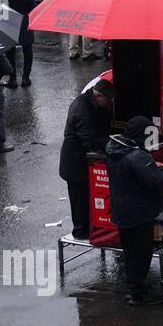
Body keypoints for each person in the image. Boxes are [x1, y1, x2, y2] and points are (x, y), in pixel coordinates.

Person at [105, 116, 163, 306]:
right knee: (141, 253)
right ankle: (138, 294)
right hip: (139, 213)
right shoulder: (137, 156)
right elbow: (154, 180)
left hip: (121, 211)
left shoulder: (114, 149)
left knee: (130, 252)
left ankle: (134, 287)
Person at [59, 80, 114, 239]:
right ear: (99, 96)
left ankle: (88, 228)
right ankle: (81, 231)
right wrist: (114, 143)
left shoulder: (91, 102)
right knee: (79, 200)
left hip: (80, 161)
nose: (108, 105)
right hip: (74, 163)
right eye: (107, 101)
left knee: (85, 199)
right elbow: (89, 141)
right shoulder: (82, 109)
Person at [0, 0, 37, 88]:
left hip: (9, 23)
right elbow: (33, 10)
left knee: (10, 53)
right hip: (24, 23)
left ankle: (13, 78)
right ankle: (25, 78)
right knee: (27, 51)